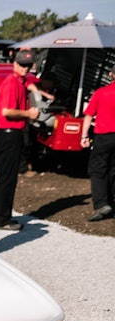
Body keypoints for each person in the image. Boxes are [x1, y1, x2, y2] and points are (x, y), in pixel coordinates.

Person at [0, 49, 40, 231]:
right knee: (7, 178)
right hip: (9, 133)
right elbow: (7, 111)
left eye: (28, 65)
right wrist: (28, 113)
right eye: (22, 65)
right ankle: (1, 219)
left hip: (9, 134)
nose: (25, 68)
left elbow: (31, 85)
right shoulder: (12, 83)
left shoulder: (19, 82)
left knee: (5, 176)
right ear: (14, 64)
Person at [81, 65, 115, 222]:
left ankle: (101, 203)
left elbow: (88, 116)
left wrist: (84, 136)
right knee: (113, 169)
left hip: (103, 137)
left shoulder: (101, 93)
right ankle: (112, 201)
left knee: (97, 169)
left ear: (110, 74)